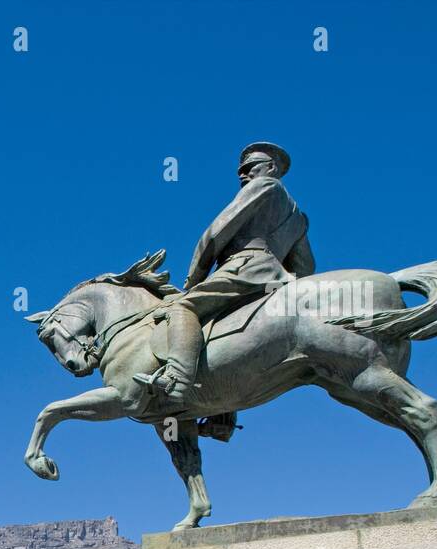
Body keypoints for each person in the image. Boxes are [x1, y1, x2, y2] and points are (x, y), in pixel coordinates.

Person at [135, 142, 315, 406]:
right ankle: (221, 417)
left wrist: (193, 280)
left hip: (244, 270)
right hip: (275, 281)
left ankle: (177, 379)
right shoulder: (299, 217)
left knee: (182, 309)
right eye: (240, 170)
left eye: (249, 167)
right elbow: (305, 268)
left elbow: (216, 233)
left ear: (272, 167)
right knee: (224, 338)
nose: (243, 174)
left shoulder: (265, 185)